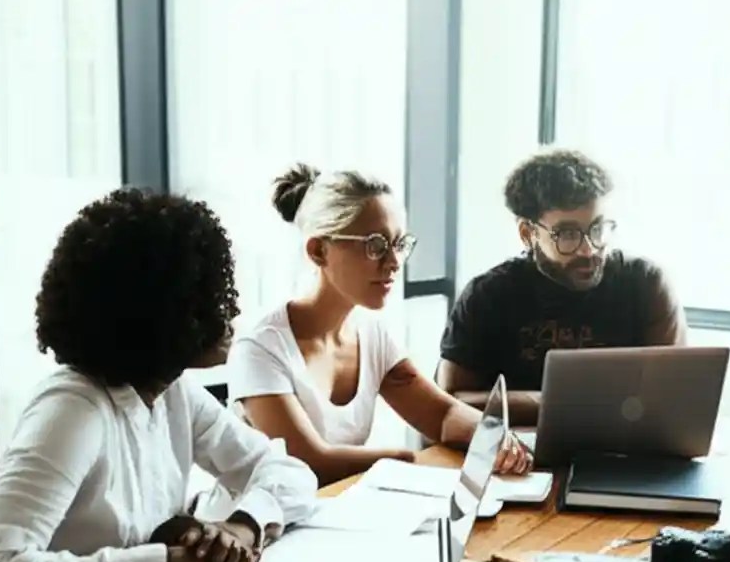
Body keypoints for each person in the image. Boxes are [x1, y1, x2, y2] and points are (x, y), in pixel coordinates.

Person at [0, 189, 318, 562]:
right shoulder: (72, 411)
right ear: (160, 308)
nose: (231, 310)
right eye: (209, 292)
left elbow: (288, 472)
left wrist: (243, 525)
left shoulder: (173, 393)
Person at [227, 164, 530, 487]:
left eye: (399, 244)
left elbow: (441, 415)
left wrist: (493, 436)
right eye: (375, 245)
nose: (394, 262)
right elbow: (311, 463)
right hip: (254, 529)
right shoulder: (259, 350)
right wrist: (409, 462)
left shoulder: (372, 335)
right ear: (318, 251)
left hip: (330, 516)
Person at [436, 149, 687, 426]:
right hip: (515, 457)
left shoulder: (645, 284)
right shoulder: (488, 296)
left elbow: (670, 399)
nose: (588, 249)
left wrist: (548, 404)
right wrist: (576, 404)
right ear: (528, 234)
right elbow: (450, 403)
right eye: (567, 234)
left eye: (598, 229)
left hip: (625, 454)